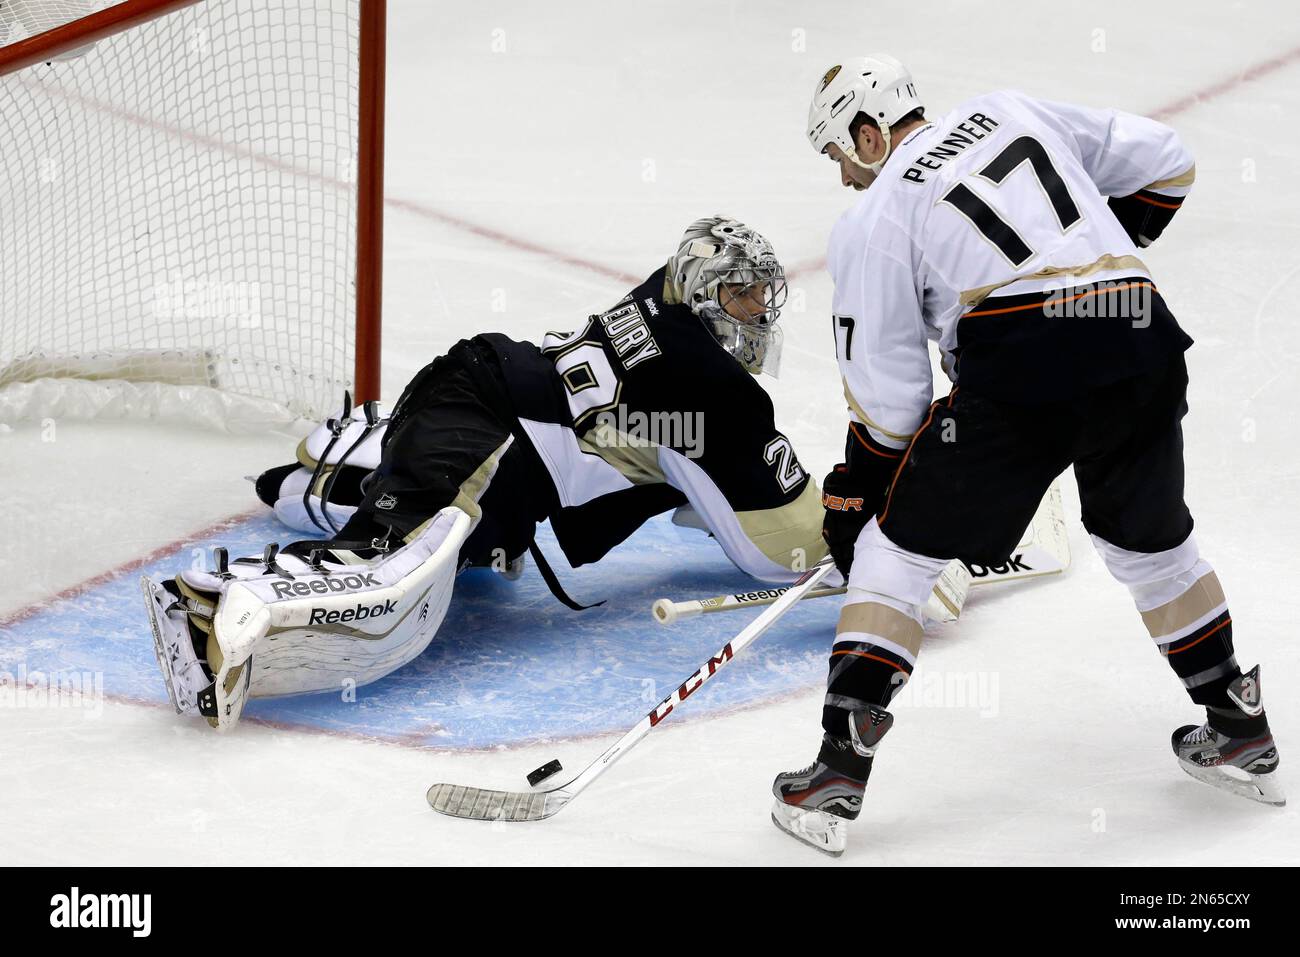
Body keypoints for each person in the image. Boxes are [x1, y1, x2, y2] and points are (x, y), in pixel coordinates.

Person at [771, 55, 1283, 855]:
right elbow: (1165, 159)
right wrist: (1101, 254)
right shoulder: (1009, 108)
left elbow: (893, 400)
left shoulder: (874, 220)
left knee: (895, 556)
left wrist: (859, 491)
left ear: (869, 135)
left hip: (1026, 367)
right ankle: (1239, 727)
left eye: (839, 155)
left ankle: (835, 776)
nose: (843, 178)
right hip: (1139, 332)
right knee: (1148, 540)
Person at [142, 216, 828, 731]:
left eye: (764, 296)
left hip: (489, 428)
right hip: (486, 425)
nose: (760, 312)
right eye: (742, 297)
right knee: (397, 567)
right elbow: (785, 550)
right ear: (704, 296)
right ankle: (212, 611)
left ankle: (343, 468)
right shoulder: (719, 393)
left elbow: (664, 447)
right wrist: (880, 533)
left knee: (465, 536)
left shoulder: (664, 305)